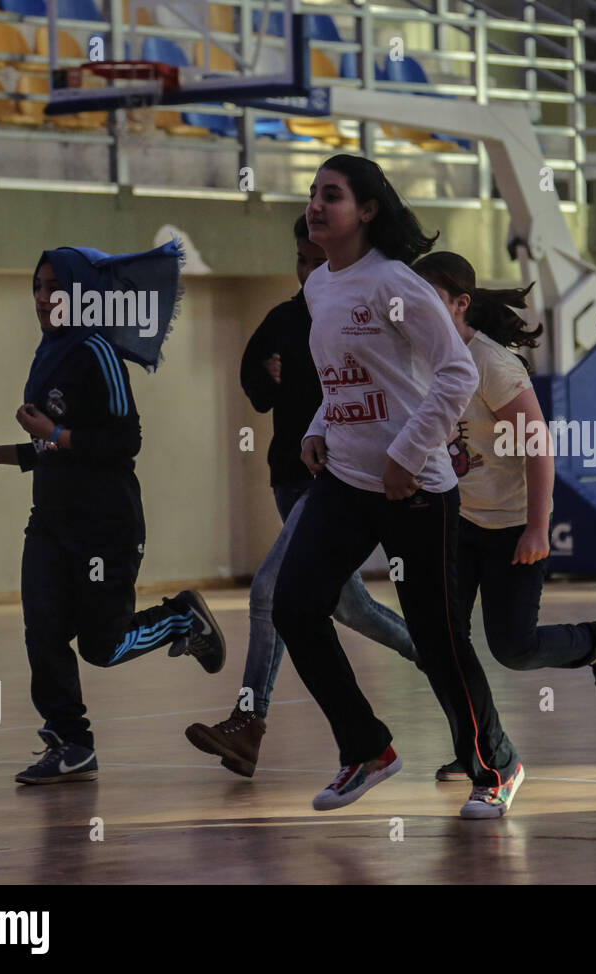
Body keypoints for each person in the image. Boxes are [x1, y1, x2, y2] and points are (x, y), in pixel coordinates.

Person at [271, 156, 523, 818]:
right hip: (346, 480)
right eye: (312, 194)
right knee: (294, 605)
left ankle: (495, 764)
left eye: (332, 195)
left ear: (368, 210)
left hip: (415, 489)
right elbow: (353, 377)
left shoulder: (398, 284)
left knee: (437, 636)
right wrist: (320, 425)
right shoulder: (321, 286)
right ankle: (367, 748)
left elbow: (454, 375)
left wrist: (407, 454)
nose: (316, 205)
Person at [0, 242, 226, 785]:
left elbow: (124, 441)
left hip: (105, 524)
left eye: (55, 286)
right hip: (50, 521)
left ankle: (178, 618)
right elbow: (55, 445)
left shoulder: (97, 350)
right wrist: (2, 455)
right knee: (43, 630)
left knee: (103, 646)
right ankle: (71, 743)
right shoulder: (47, 352)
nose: (44, 296)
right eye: (37, 286)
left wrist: (51, 434)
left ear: (80, 294)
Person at [185, 215, 417, 778]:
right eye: (301, 261)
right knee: (350, 606)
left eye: (318, 259)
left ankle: (249, 721)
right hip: (289, 479)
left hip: (335, 480)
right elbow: (257, 393)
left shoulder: (359, 314)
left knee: (269, 589)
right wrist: (266, 375)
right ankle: (447, 659)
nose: (309, 271)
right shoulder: (282, 321)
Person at [413, 251, 596, 782]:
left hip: (511, 526)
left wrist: (537, 526)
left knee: (513, 648)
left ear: (460, 304)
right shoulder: (416, 356)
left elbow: (538, 447)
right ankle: (479, 747)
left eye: (428, 298)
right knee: (438, 642)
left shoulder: (490, 364)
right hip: (456, 523)